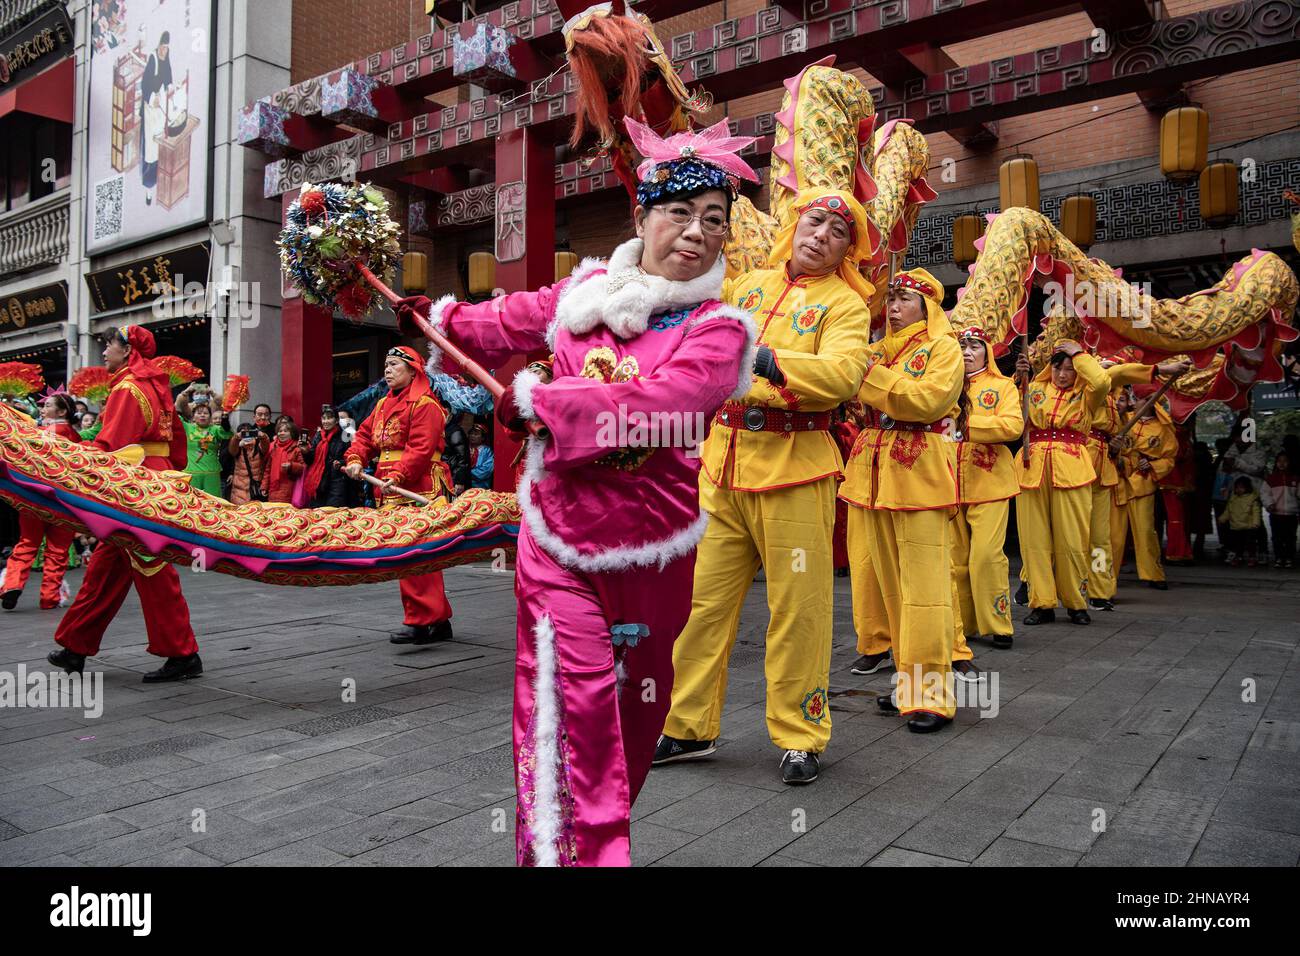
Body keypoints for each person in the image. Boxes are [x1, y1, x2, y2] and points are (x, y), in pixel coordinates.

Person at [392, 117, 758, 865]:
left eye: (714, 220)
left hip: (655, 556)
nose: (696, 232)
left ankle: (575, 842)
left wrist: (543, 404)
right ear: (643, 217)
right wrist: (437, 320)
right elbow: (499, 322)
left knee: (628, 729)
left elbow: (668, 409)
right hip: (559, 540)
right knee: (569, 710)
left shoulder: (721, 331)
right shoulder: (583, 293)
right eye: (679, 213)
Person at [656, 188, 871, 781]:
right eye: (814, 220)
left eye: (837, 230)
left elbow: (843, 376)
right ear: (796, 225)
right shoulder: (746, 286)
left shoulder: (846, 306)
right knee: (700, 605)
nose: (821, 233)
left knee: (797, 609)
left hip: (796, 467)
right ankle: (686, 725)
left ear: (846, 249)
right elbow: (694, 333)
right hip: (723, 463)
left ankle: (802, 732)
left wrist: (771, 359)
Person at [841, 270, 963, 732]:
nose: (893, 306)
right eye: (890, 297)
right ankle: (906, 683)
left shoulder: (943, 349)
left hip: (919, 473)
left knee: (925, 593)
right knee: (889, 589)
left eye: (904, 298)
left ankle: (932, 694)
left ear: (928, 306)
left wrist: (865, 376)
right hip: (873, 472)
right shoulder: (876, 350)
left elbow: (926, 402)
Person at [47, 325, 201, 682]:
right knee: (106, 567)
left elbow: (109, 445)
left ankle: (184, 653)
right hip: (153, 480)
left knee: (154, 571)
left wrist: (66, 457)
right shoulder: (155, 387)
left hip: (136, 489)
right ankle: (75, 646)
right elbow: (177, 445)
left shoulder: (129, 389)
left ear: (128, 350)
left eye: (109, 345)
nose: (103, 352)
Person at [344, 347, 456, 644]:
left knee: (416, 554)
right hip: (391, 488)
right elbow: (364, 437)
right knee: (410, 555)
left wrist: (399, 475)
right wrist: (355, 458)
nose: (387, 370)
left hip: (418, 487)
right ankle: (436, 620)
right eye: (385, 364)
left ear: (413, 370)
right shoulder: (381, 405)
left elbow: (421, 448)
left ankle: (423, 621)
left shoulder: (425, 405)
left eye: (394, 364)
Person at [1015, 340, 1110, 626]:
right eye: (1058, 368)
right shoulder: (1035, 388)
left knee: (1072, 540)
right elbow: (1012, 408)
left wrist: (1078, 354)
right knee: (1034, 541)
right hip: (1032, 466)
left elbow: (1102, 380)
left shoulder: (1086, 393)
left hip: (1072, 468)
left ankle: (1076, 602)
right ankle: (1041, 603)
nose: (1063, 374)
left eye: (1069, 369)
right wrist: (1020, 378)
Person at [948, 326, 1021, 661]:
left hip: (989, 481)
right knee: (954, 562)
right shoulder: (943, 384)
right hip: (946, 483)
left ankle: (999, 623)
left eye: (974, 345)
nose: (966, 351)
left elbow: (1012, 427)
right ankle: (962, 626)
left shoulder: (1003, 386)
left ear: (986, 352)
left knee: (986, 557)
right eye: (960, 345)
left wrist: (968, 428)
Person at [1, 394, 82, 611]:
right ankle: (49, 597)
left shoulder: (38, 434)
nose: (42, 409)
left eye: (47, 406)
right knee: (57, 550)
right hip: (65, 501)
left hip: (35, 498)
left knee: (27, 543)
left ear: (62, 411)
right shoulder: (76, 437)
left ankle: (12, 584)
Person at [1111, 391, 1178, 589]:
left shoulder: (1163, 429)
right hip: (1117, 481)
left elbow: (1169, 458)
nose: (1141, 402)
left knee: (1145, 531)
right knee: (1111, 535)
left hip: (1142, 484)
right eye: (1139, 397)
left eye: (1147, 398)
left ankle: (1154, 574)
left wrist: (1151, 465)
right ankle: (1104, 578)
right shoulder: (1122, 419)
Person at [176, 383, 232, 497]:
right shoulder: (187, 427)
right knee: (191, 503)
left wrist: (225, 418)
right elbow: (175, 411)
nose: (202, 415)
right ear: (193, 416)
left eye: (206, 413)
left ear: (210, 416)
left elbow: (226, 432)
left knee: (213, 504)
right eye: (199, 413)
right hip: (191, 472)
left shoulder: (215, 429)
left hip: (211, 473)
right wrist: (186, 392)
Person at [139, 32, 173, 207]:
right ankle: (148, 190)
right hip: (149, 108)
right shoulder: (152, 59)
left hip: (160, 110)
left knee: (162, 144)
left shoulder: (166, 58)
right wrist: (152, 97)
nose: (164, 51)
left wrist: (170, 87)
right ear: (158, 46)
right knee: (151, 151)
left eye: (166, 48)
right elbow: (145, 85)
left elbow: (168, 78)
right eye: (162, 47)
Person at [302, 405, 352, 507]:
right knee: (317, 514)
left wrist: (341, 463)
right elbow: (310, 461)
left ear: (336, 420)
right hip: (319, 482)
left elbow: (350, 456)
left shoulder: (345, 435)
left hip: (337, 481)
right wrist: (305, 452)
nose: (326, 421)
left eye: (329, 418)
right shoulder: (318, 436)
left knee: (333, 513)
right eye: (324, 418)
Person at [1261, 452, 1299, 568]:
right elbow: (1265, 493)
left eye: (1285, 461)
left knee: (1290, 537)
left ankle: (1288, 558)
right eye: (1279, 461)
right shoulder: (1271, 479)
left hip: (1291, 513)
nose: (1282, 464)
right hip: (1276, 513)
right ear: (1276, 463)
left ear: (1289, 463)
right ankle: (1279, 557)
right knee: (1277, 537)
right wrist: (1270, 504)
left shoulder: (1295, 478)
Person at [1221, 476, 1263, 566]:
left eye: (1241, 487)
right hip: (1235, 526)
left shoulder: (1252, 498)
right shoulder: (1233, 498)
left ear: (1247, 488)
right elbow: (1228, 510)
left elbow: (1256, 511)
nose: (1238, 489)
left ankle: (1252, 557)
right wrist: (1222, 518)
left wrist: (1256, 522)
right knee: (1237, 543)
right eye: (1237, 487)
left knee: (1250, 543)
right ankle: (1238, 556)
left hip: (1248, 525)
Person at [263, 416, 305, 504]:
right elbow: (268, 469)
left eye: (285, 431)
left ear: (292, 433)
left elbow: (303, 467)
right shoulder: (274, 447)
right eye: (280, 431)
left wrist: (291, 466)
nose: (282, 433)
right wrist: (264, 486)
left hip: (290, 488)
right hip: (273, 488)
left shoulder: (297, 448)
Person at [227, 420, 270, 504]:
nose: (247, 435)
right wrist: (236, 438)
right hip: (239, 488)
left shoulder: (258, 446)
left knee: (254, 512)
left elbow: (265, 447)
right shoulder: (238, 446)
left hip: (255, 487)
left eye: (249, 432)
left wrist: (263, 436)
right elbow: (232, 450)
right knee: (240, 513)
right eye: (243, 433)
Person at [468, 423, 494, 490]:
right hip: (465, 486)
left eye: (476, 434)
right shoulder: (466, 448)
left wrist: (467, 473)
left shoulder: (487, 451)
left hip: (481, 487)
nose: (472, 436)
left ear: (483, 438)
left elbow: (487, 470)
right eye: (471, 433)